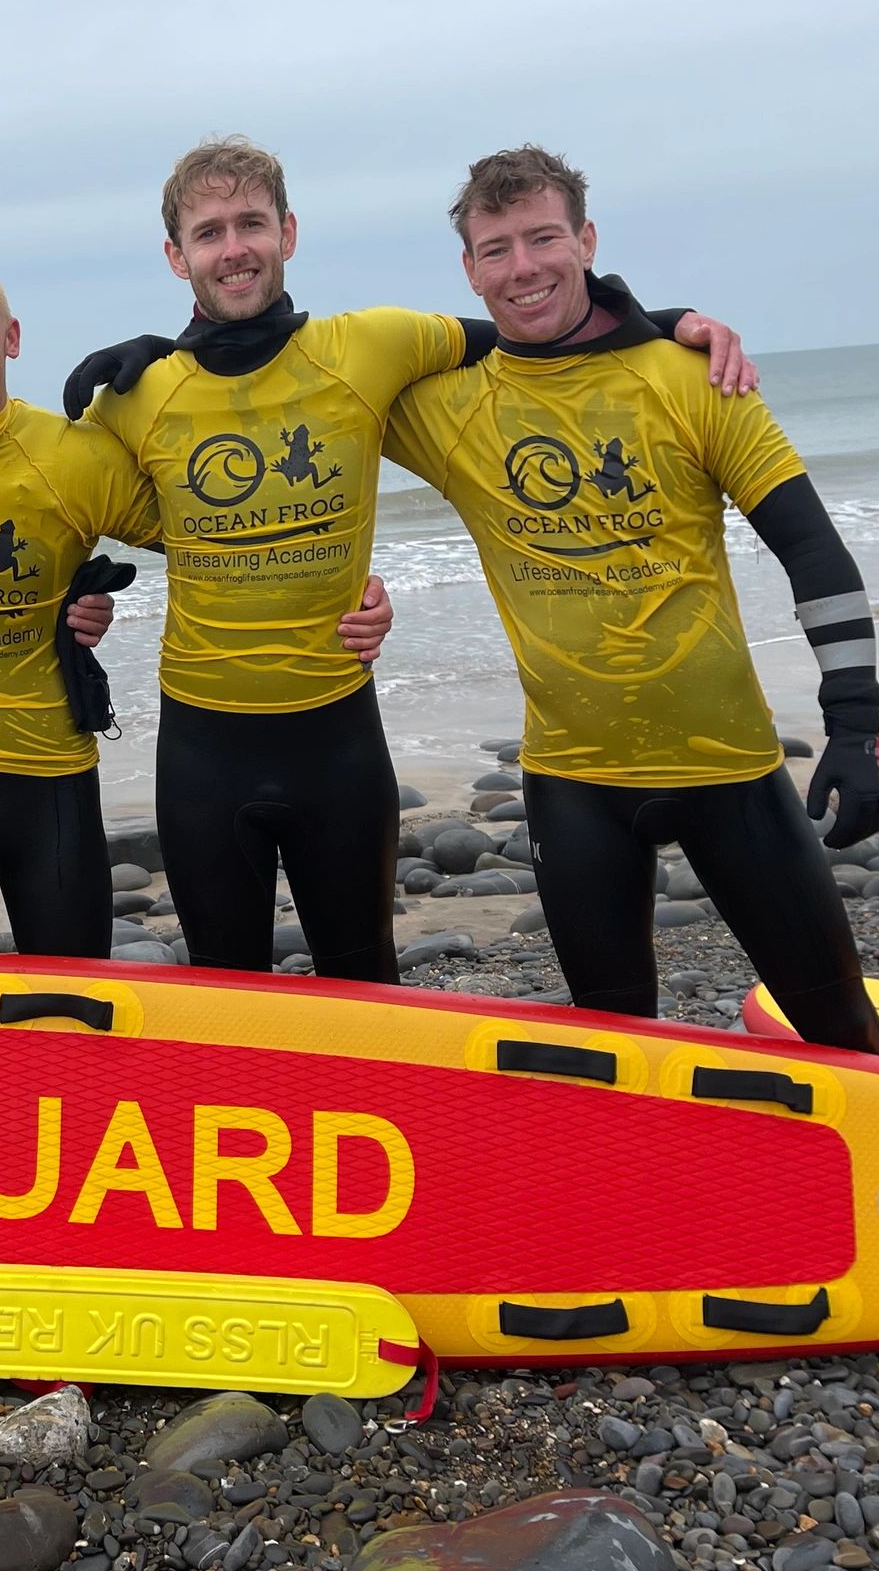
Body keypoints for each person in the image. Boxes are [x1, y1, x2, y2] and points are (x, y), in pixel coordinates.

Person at [54, 139, 755, 983]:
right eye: (209, 233)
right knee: (222, 986)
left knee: (367, 984)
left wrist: (671, 322)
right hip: (203, 749)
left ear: (289, 233)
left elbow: (533, 322)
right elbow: (43, 503)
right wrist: (70, 598)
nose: (233, 247)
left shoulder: (373, 345)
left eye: (252, 223)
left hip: (338, 744)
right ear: (177, 256)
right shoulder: (139, 394)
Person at [380, 145, 879, 1054]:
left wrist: (856, 725)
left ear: (585, 240)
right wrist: (172, 350)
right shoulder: (447, 406)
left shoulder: (696, 376)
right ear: (469, 270)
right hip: (574, 784)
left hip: (730, 770)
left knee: (844, 1032)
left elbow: (811, 548)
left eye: (543, 238)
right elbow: (288, 388)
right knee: (617, 1049)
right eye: (495, 249)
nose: (523, 267)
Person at [0, 261, 343, 956]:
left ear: (11, 337)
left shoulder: (74, 458)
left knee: (72, 1021)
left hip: (51, 782)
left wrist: (346, 585)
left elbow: (222, 538)